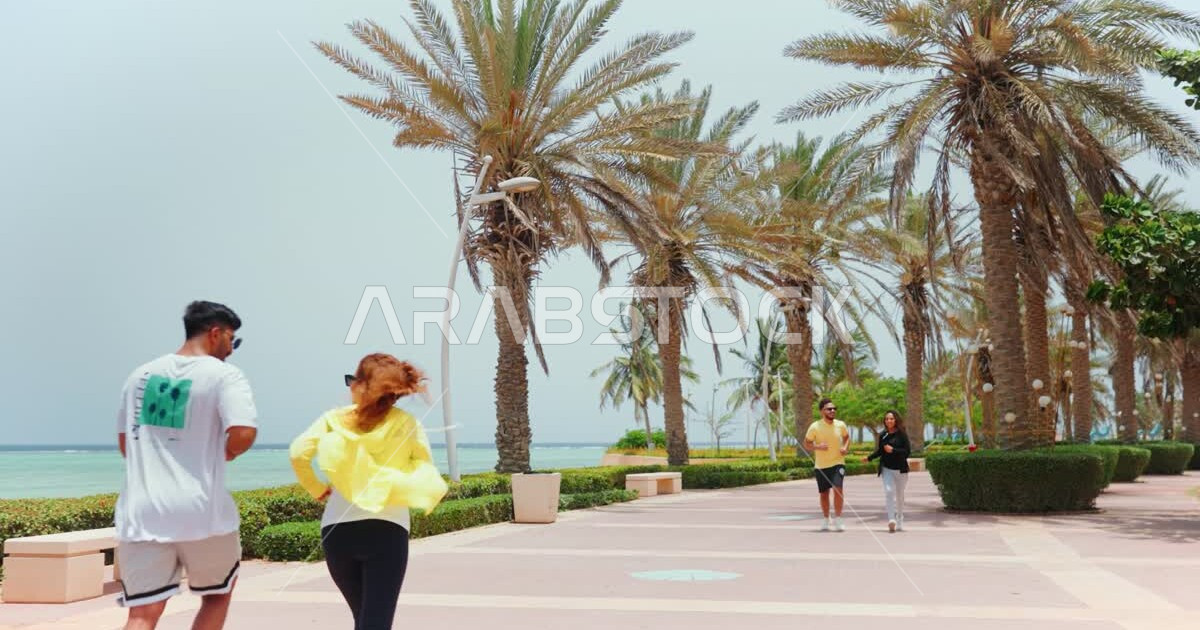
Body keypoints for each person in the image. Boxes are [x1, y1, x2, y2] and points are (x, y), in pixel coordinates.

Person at [114, 300, 258, 630]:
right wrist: (226, 453)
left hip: (142, 510)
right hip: (202, 510)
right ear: (216, 333)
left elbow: (127, 444)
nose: (231, 350)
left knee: (142, 613)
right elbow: (243, 431)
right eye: (231, 341)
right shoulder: (225, 375)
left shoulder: (140, 375)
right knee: (218, 595)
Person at [289, 353, 448, 630]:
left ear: (362, 385)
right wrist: (394, 484)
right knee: (374, 621)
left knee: (364, 618)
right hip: (387, 530)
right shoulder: (407, 424)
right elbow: (425, 470)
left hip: (337, 531)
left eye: (352, 380)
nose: (349, 386)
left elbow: (298, 453)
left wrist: (316, 488)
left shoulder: (332, 419)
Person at [804, 397, 851, 532]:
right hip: (821, 465)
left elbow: (847, 437)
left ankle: (838, 519)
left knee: (838, 490)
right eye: (829, 409)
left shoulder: (840, 425)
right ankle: (826, 519)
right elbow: (806, 443)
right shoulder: (814, 426)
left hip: (838, 463)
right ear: (821, 411)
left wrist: (845, 448)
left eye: (834, 409)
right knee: (824, 494)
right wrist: (817, 447)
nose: (832, 411)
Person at [863, 410, 911, 533]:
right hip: (887, 469)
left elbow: (907, 452)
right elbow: (880, 451)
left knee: (900, 496)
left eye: (891, 418)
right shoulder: (883, 435)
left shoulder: (902, 434)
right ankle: (891, 519)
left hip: (901, 470)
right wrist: (869, 458)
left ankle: (900, 517)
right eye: (886, 419)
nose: (889, 421)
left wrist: (893, 450)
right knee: (889, 492)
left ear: (896, 420)